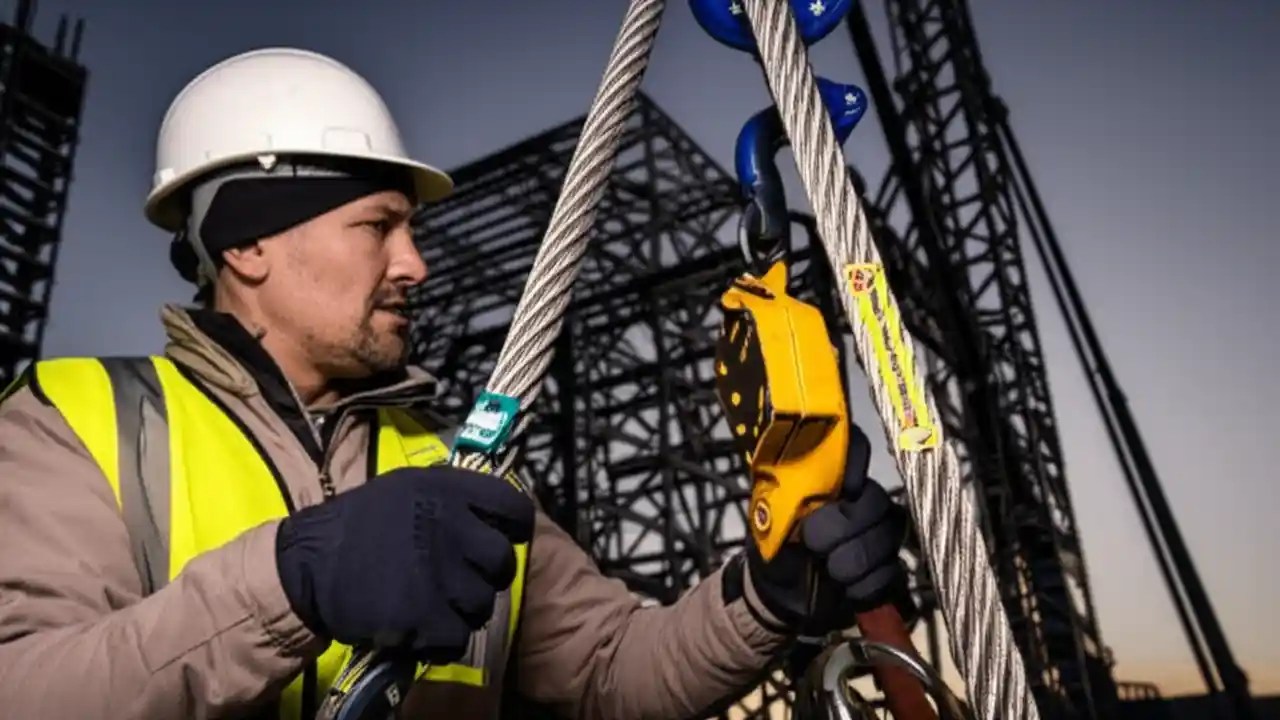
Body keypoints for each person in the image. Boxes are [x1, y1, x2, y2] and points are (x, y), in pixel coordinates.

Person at [0, 47, 908, 720]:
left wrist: (765, 597)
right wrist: (287, 586)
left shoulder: (464, 468)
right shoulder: (79, 422)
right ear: (247, 244)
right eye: (378, 226)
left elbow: (611, 671)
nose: (416, 264)